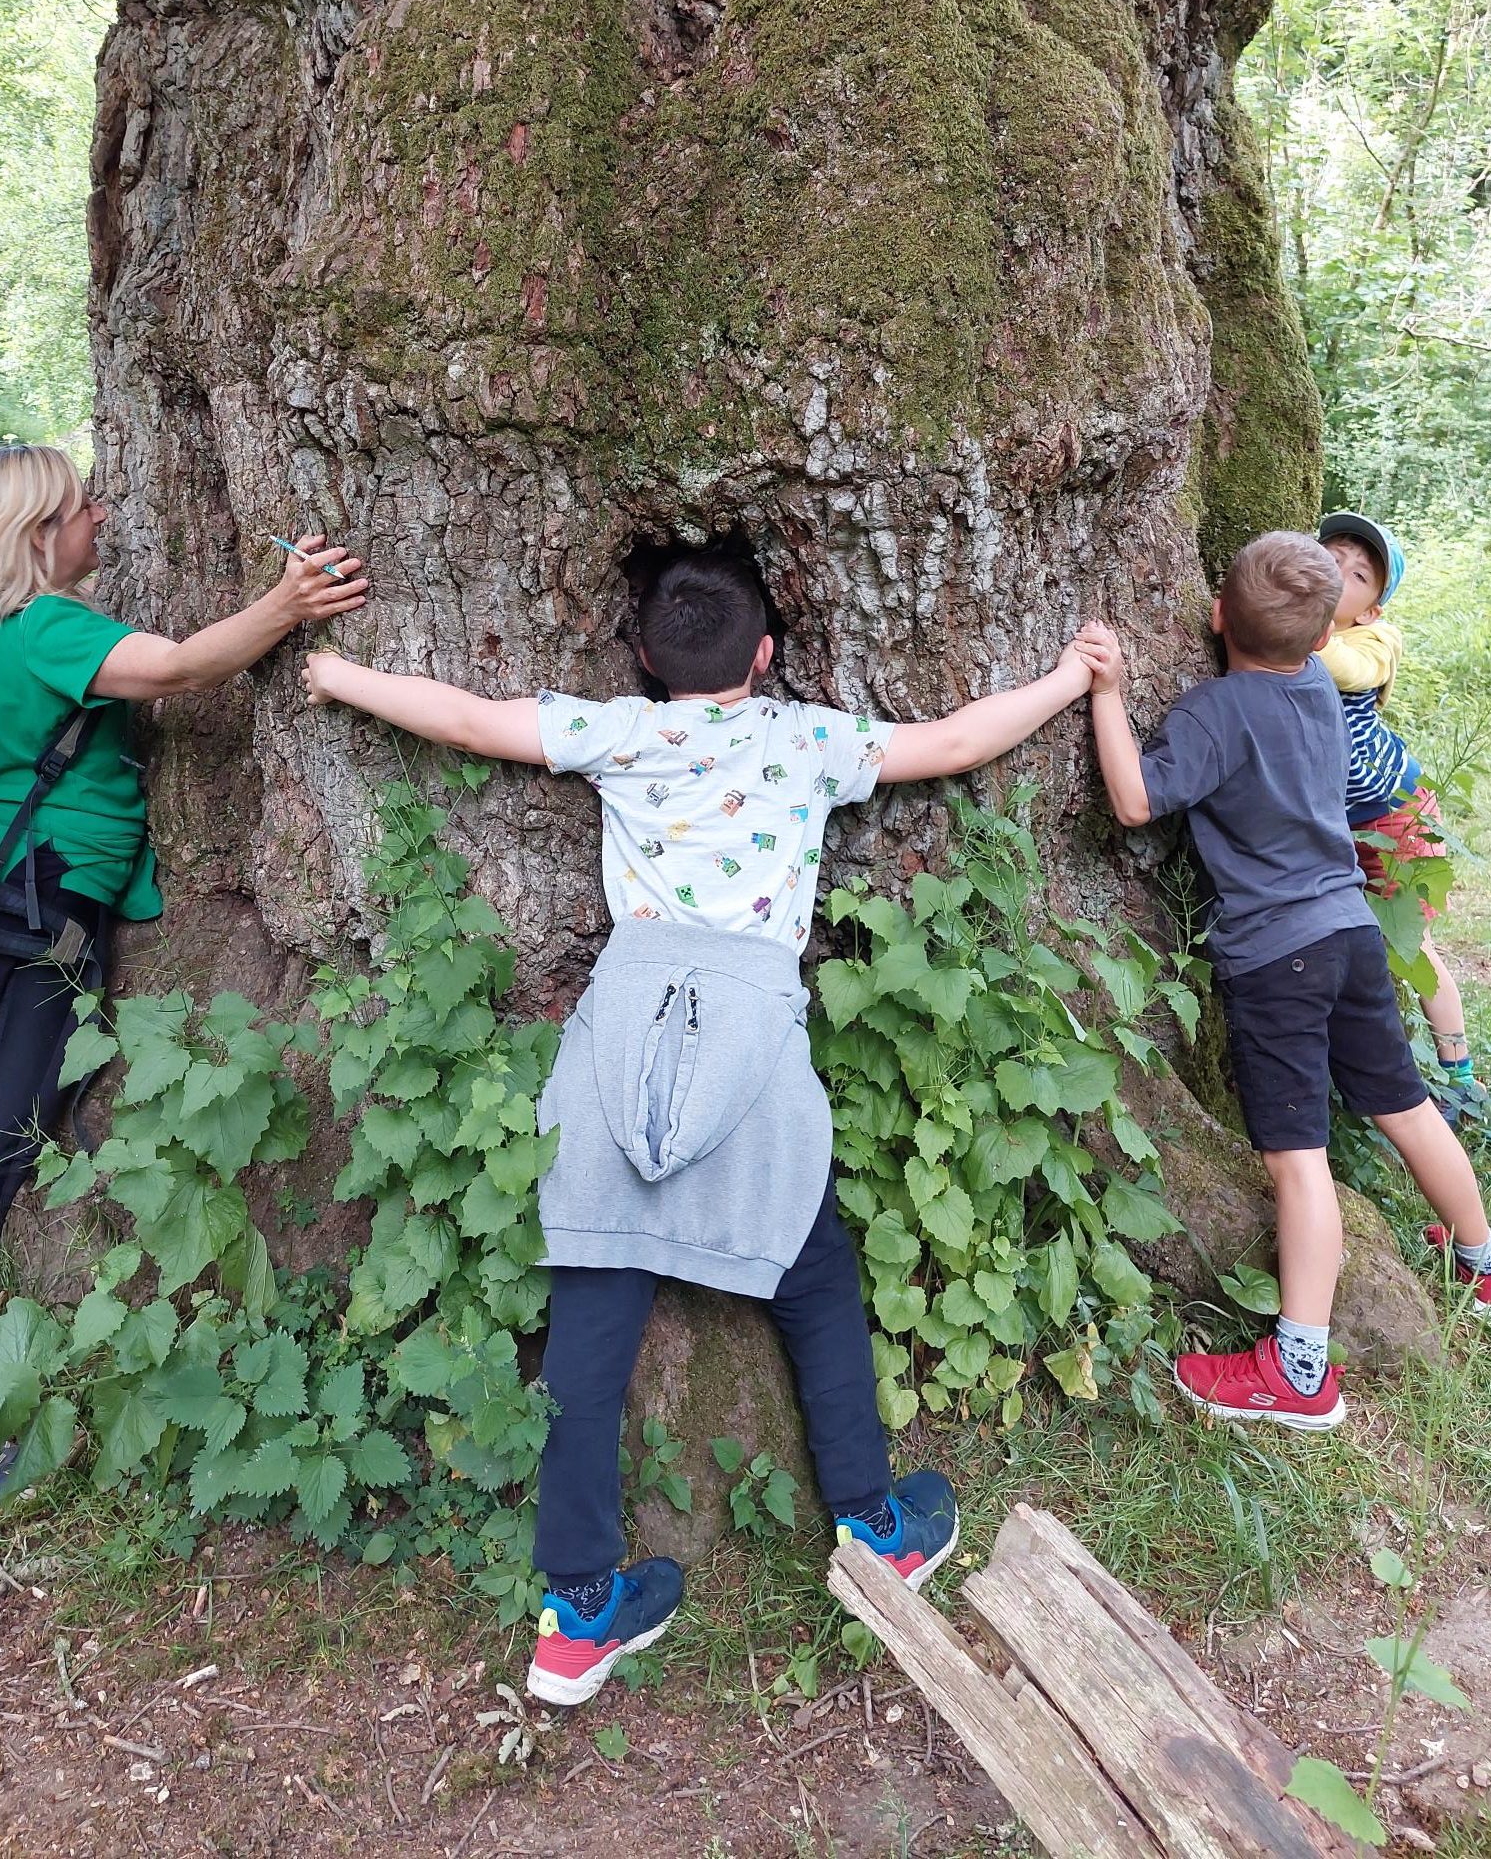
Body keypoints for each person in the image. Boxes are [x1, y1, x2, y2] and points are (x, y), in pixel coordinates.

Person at [302, 549, 1095, 1704]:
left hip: (625, 1025)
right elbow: (960, 739)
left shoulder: (622, 731)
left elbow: (469, 719)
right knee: (815, 1273)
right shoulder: (808, 739)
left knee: (592, 1300)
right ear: (766, 653)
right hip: (752, 1027)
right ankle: (875, 1524)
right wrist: (1071, 676)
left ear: (642, 656)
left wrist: (338, 672)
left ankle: (579, 1608)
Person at [0, 443, 366, 1510]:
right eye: (83, 505)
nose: (104, 515)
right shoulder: (47, 628)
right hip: (36, 905)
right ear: (37, 535)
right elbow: (178, 667)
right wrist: (288, 602)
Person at [1074, 532, 1491, 1435]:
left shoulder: (1214, 712)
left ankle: (1299, 1369)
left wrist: (1110, 692)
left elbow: (1134, 801)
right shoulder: (1320, 685)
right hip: (1352, 931)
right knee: (1405, 1105)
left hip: (1279, 958)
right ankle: (1488, 1266)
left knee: (1296, 1157)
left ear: (1215, 615)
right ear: (1323, 639)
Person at [1316, 512, 1474, 1120]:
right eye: (1330, 558)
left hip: (1395, 815)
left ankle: (1459, 1072)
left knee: (1410, 944)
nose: (1339, 573)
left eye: (1358, 576)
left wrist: (1301, 626)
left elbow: (1349, 672)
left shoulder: (1374, 643)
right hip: (1340, 822)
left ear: (1371, 611)